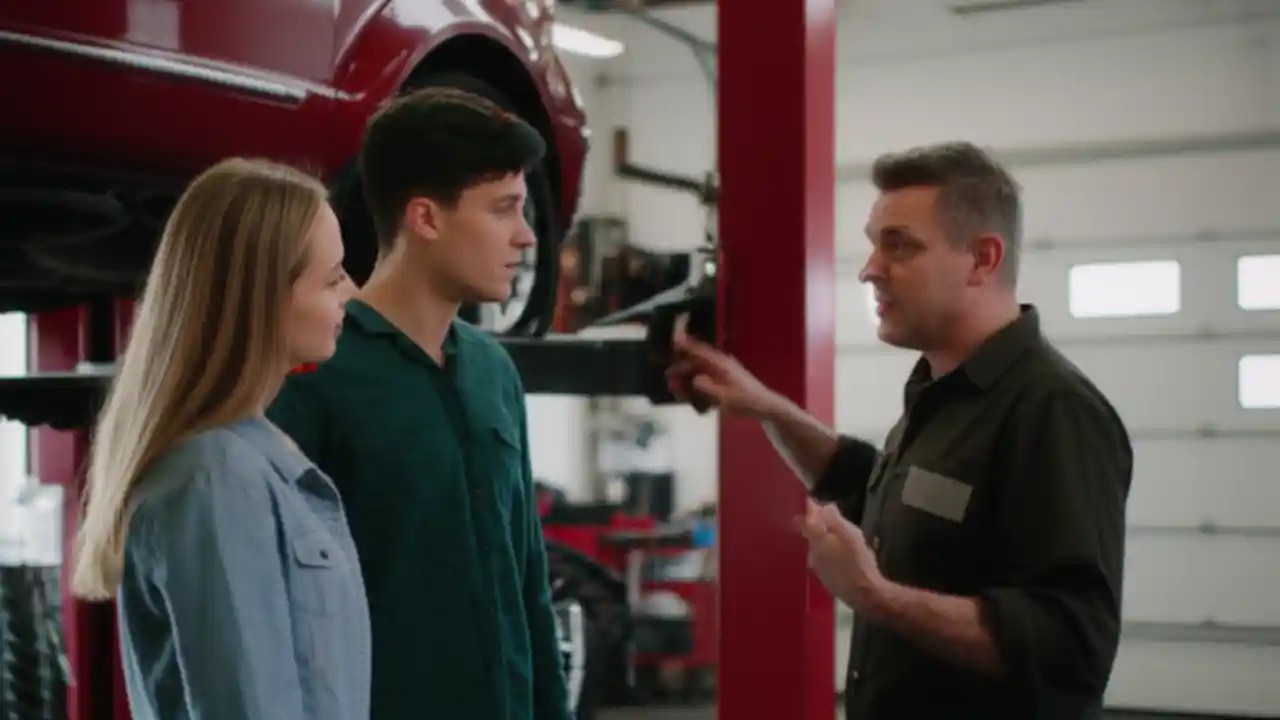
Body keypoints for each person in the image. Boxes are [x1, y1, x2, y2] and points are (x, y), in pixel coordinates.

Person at [667, 141, 1133, 718]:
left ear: (983, 259)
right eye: (873, 244)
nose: (869, 270)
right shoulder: (938, 390)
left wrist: (874, 595)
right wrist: (770, 410)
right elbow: (877, 494)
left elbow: (1074, 644)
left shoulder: (1054, 411)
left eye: (900, 247)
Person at [267, 87, 570, 720]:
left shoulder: (493, 371)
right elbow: (278, 609)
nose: (526, 237)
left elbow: (527, 584)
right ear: (425, 218)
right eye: (503, 210)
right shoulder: (314, 372)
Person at [69, 158, 367, 720]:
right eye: (331, 278)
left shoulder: (249, 462)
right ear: (262, 298)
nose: (350, 290)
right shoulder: (219, 480)